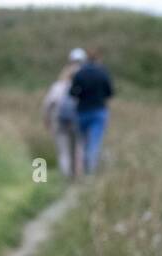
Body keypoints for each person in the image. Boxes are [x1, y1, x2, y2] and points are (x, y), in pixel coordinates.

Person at [41, 49, 85, 179]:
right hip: (77, 120)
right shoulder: (82, 87)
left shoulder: (58, 86)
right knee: (78, 149)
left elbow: (47, 105)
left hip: (60, 121)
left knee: (63, 151)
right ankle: (78, 176)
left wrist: (46, 120)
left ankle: (66, 177)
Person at [69, 48, 114, 175]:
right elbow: (110, 92)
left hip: (82, 111)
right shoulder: (103, 73)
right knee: (94, 141)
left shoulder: (80, 73)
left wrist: (82, 94)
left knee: (82, 142)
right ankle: (91, 170)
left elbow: (72, 92)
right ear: (98, 59)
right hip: (99, 111)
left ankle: (82, 169)